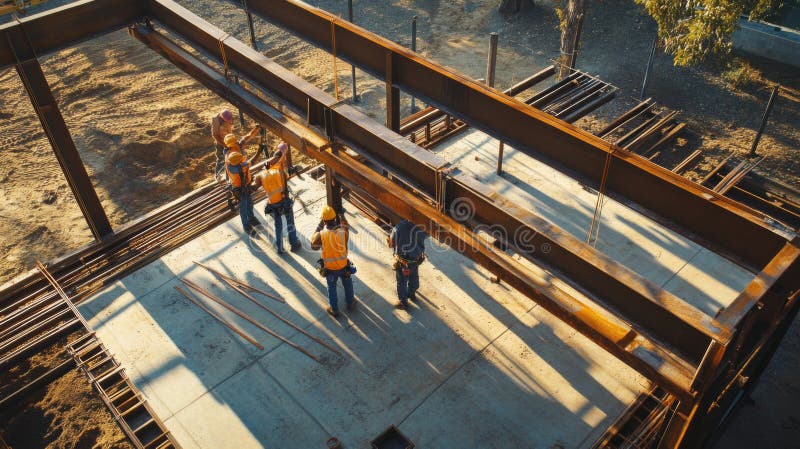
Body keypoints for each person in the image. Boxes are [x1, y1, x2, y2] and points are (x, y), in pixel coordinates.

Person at [254, 142, 300, 254]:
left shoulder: (260, 175)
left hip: (273, 203)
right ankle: (293, 243)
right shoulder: (280, 170)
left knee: (278, 226)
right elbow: (283, 170)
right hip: (284, 201)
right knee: (290, 223)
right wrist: (283, 154)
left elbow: (255, 186)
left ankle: (279, 248)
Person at [311, 206, 355, 317]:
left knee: (332, 288)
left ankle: (334, 309)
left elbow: (313, 245)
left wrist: (319, 226)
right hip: (343, 265)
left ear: (324, 220)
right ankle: (350, 303)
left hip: (330, 268)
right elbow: (345, 226)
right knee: (347, 283)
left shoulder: (322, 234)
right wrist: (341, 216)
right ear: (335, 218)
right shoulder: (343, 231)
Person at [388, 219, 427, 309]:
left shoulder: (398, 227)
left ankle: (403, 302)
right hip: (414, 260)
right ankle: (411, 293)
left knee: (401, 282)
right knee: (414, 277)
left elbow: (392, 241)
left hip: (402, 261)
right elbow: (424, 237)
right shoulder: (419, 227)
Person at [225, 141, 261, 235]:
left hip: (242, 188)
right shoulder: (241, 168)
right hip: (241, 190)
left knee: (249, 203)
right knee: (244, 208)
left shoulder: (229, 165)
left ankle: (251, 218)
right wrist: (259, 151)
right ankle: (246, 226)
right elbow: (252, 161)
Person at [211, 109, 234, 180]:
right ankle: (217, 176)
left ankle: (230, 173)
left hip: (229, 140)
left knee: (232, 156)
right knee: (221, 158)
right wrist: (223, 144)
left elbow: (230, 129)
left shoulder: (229, 115)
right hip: (220, 142)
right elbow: (214, 135)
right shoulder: (216, 120)